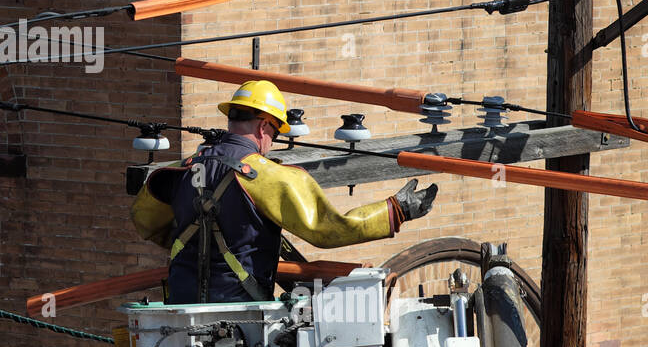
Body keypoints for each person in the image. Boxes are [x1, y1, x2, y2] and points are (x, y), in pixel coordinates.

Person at [130, 80, 437, 303]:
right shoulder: (268, 176)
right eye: (275, 132)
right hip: (239, 312)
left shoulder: (179, 170)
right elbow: (328, 230)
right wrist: (397, 209)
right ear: (264, 126)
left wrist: (200, 244)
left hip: (178, 307)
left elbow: (145, 221)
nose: (273, 142)